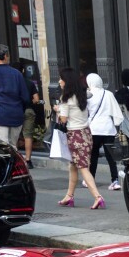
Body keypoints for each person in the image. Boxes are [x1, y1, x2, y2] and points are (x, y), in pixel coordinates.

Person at [54, 67, 104, 209]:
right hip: (86, 133)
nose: (59, 81)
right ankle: (69, 196)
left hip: (75, 135)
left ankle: (97, 196)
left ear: (66, 81)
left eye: (61, 78)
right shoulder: (83, 94)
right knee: (74, 166)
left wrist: (57, 109)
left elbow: (63, 119)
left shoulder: (66, 98)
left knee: (82, 167)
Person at [85, 73, 124, 190]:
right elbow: (117, 113)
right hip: (108, 129)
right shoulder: (109, 94)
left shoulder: (88, 95)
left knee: (93, 156)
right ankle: (115, 180)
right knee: (110, 157)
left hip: (94, 129)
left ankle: (90, 180)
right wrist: (116, 124)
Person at [19, 78, 46, 167]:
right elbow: (37, 99)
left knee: (14, 135)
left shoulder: (12, 82)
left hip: (16, 110)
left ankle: (16, 160)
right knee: (28, 135)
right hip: (28, 110)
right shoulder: (29, 83)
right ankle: (28, 160)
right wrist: (31, 102)